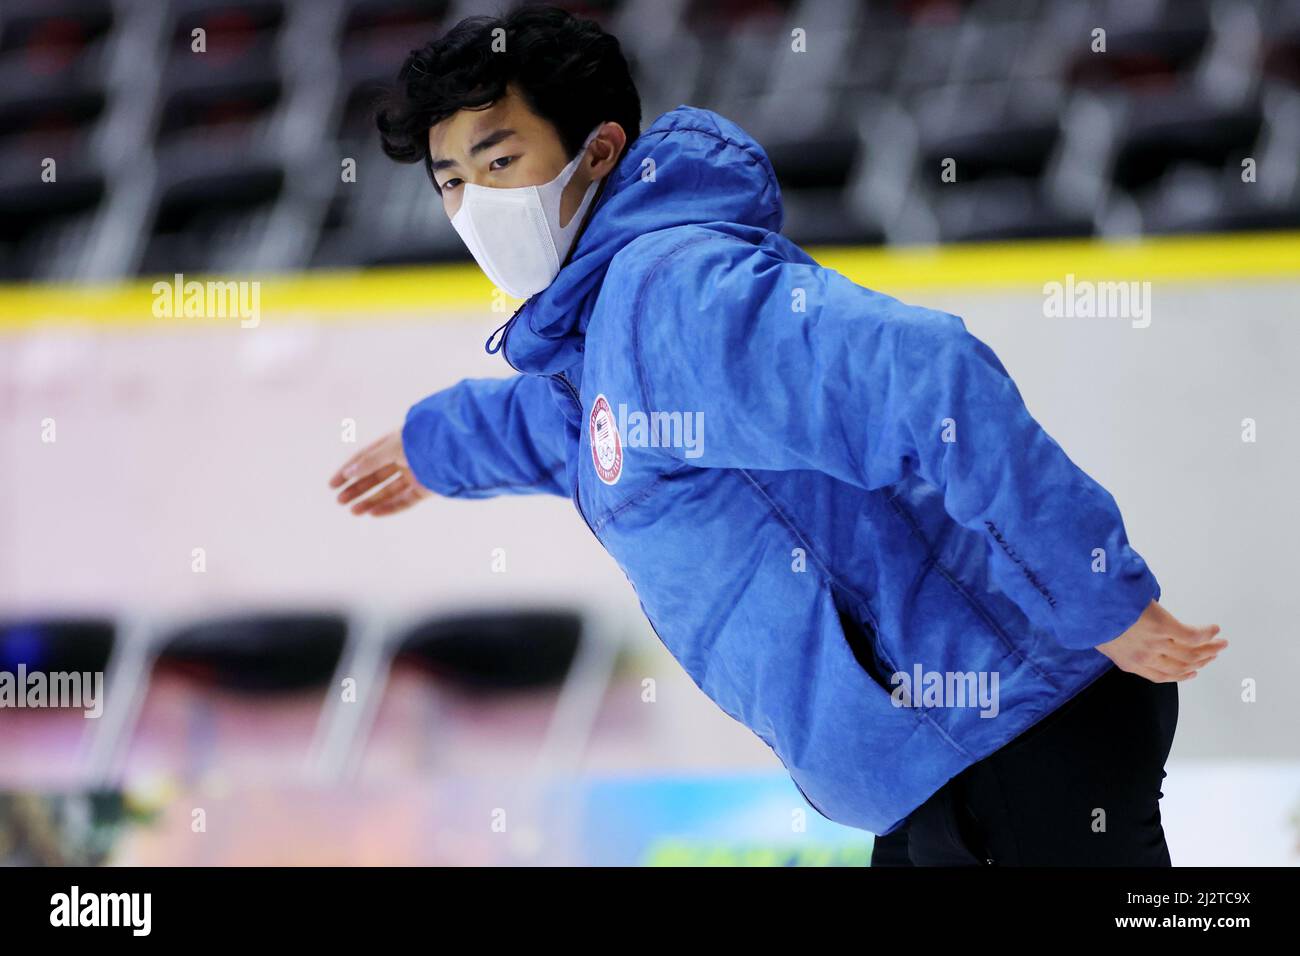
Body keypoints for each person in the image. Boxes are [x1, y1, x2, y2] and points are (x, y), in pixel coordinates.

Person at [328, 6, 1225, 865]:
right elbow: (570, 428)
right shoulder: (600, 334)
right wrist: (432, 442)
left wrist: (1094, 596)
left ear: (599, 150)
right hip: (933, 758)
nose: (472, 203)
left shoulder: (672, 293)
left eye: (498, 160)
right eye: (451, 182)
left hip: (1018, 723)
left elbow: (926, 373)